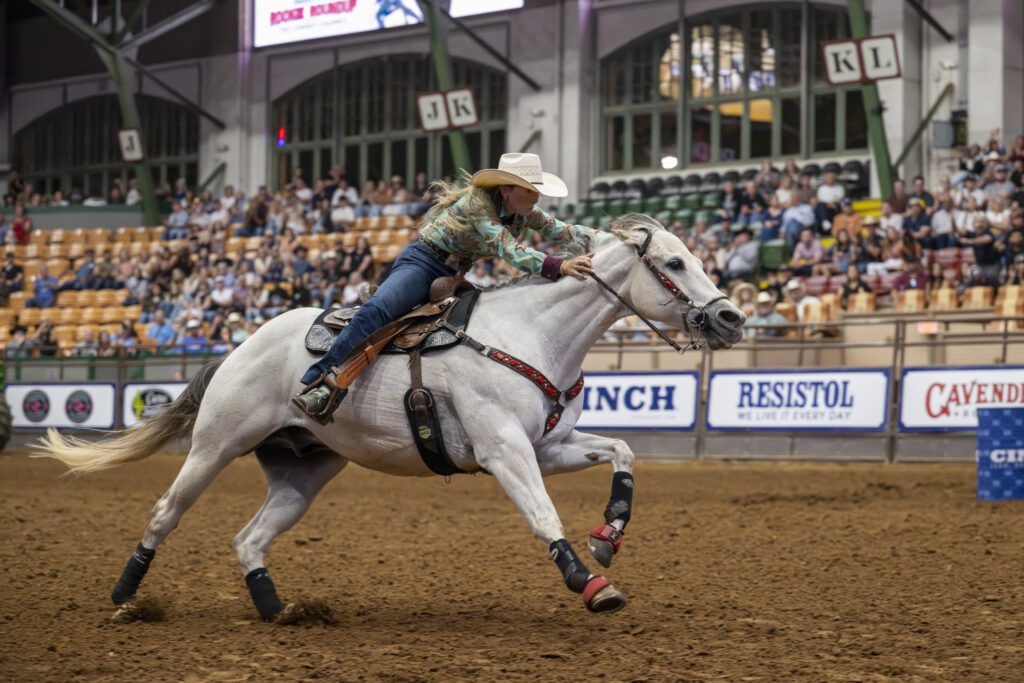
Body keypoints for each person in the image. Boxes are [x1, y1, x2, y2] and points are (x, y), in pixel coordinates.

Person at [293, 152, 598, 419]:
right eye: (529, 191)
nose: (536, 198)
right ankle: (322, 379)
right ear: (506, 189)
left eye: (537, 191)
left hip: (454, 276)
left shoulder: (525, 212)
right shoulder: (478, 204)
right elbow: (508, 249)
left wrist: (607, 238)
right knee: (379, 309)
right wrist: (561, 266)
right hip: (423, 263)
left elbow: (564, 230)